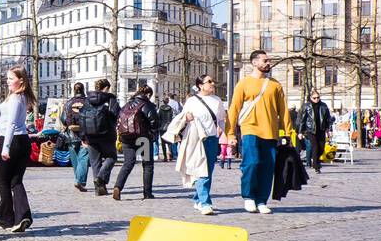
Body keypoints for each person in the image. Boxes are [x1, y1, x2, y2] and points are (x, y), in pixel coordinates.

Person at [225, 49, 293, 214]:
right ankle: (248, 197)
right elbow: (234, 109)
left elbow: (283, 110)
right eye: (265, 60)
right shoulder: (243, 83)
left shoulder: (275, 84)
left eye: (268, 60)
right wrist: (231, 133)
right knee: (252, 163)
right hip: (250, 128)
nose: (268, 63)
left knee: (268, 167)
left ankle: (262, 200)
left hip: (270, 131)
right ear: (254, 63)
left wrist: (289, 132)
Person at [166, 75, 226, 215]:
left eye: (213, 81)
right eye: (209, 81)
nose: (212, 84)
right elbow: (183, 117)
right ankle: (205, 203)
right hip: (195, 139)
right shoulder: (192, 101)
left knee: (208, 171)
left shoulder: (217, 101)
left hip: (211, 139)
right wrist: (186, 118)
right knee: (201, 170)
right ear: (200, 85)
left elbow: (222, 120)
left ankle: (198, 199)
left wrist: (226, 135)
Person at [0, 65, 35, 232]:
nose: (7, 81)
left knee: (3, 181)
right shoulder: (16, 97)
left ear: (20, 80)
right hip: (21, 141)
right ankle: (22, 216)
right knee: (15, 181)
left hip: (12, 141)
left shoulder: (16, 98)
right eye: (7, 78)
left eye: (10, 79)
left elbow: (11, 124)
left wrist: (5, 147)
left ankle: (7, 220)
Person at [113, 84, 159, 201]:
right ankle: (147, 193)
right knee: (148, 165)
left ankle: (118, 187)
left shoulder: (127, 105)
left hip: (126, 137)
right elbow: (154, 122)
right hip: (143, 138)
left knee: (128, 163)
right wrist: (153, 134)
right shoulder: (147, 105)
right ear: (148, 94)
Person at [78, 78, 121, 196]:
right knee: (111, 157)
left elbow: (81, 118)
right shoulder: (110, 98)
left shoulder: (87, 99)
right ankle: (101, 178)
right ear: (106, 88)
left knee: (95, 162)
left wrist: (83, 137)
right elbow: (115, 114)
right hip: (106, 134)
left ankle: (100, 189)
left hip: (90, 136)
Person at [63, 82, 90, 192]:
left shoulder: (68, 103)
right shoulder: (88, 102)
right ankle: (80, 181)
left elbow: (63, 119)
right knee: (84, 158)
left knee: (75, 161)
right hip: (85, 133)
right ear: (83, 89)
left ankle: (78, 179)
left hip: (71, 134)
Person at [298, 90, 333, 174]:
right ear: (311, 98)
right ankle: (316, 166)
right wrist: (300, 132)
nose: (316, 99)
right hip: (311, 129)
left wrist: (328, 129)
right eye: (314, 98)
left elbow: (328, 119)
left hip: (321, 129)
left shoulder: (323, 105)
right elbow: (302, 120)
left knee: (321, 148)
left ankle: (315, 161)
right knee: (315, 147)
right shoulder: (306, 106)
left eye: (318, 97)